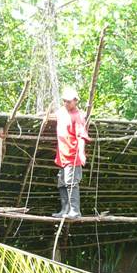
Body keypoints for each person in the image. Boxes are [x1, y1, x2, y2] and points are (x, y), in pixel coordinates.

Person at [48, 86, 90, 218]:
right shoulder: (62, 111)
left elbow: (81, 136)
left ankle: (75, 211)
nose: (66, 103)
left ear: (75, 101)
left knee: (71, 182)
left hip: (73, 155)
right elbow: (53, 115)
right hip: (62, 155)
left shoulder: (78, 117)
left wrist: (82, 153)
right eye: (65, 101)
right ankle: (65, 210)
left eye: (69, 101)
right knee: (62, 182)